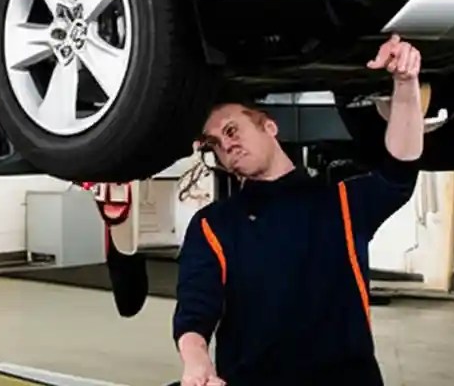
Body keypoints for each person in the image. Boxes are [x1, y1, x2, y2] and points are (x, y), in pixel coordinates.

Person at [173, 34, 426, 386]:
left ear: (269, 126)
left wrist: (405, 83)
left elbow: (399, 172)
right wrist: (196, 361)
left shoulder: (341, 204)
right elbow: (194, 310)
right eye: (215, 143)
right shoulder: (213, 225)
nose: (226, 144)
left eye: (232, 130)